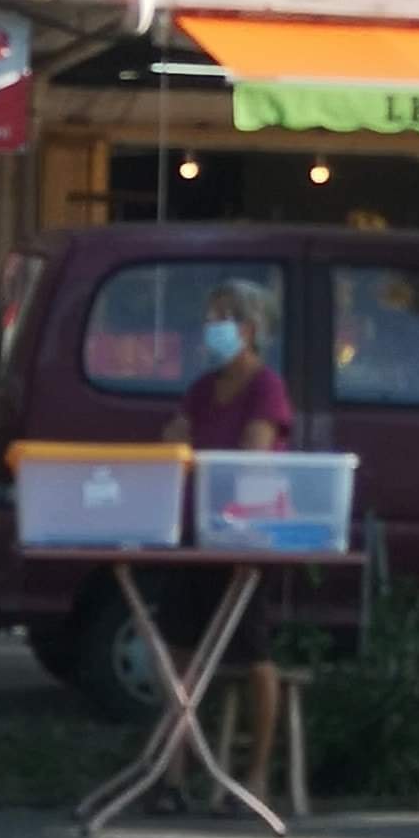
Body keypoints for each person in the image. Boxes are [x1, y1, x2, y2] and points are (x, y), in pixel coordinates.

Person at [160, 279, 293, 808]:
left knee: (253, 653)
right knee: (175, 651)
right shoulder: (200, 387)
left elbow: (253, 453)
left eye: (222, 319)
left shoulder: (266, 388)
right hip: (196, 535)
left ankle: (255, 773)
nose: (211, 330)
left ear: (249, 329)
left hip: (244, 539)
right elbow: (175, 435)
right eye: (209, 319)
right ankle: (172, 773)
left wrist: (197, 451)